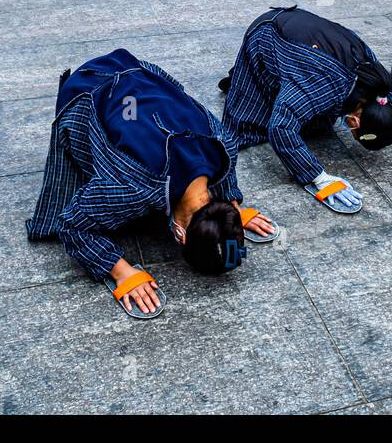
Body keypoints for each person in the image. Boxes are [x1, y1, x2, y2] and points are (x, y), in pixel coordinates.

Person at [27, 49, 275, 319]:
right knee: (104, 164)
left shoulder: (223, 145)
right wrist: (121, 271)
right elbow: (72, 224)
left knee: (149, 114)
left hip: (140, 79)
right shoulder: (134, 187)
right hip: (89, 90)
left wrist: (232, 212)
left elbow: (226, 178)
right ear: (179, 234)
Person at [219, 6, 392, 215]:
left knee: (310, 115)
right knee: (251, 118)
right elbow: (280, 128)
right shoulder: (321, 84)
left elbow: (388, 83)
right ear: (354, 122)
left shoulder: (369, 72)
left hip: (304, 29)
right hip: (267, 34)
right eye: (354, 133)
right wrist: (318, 178)